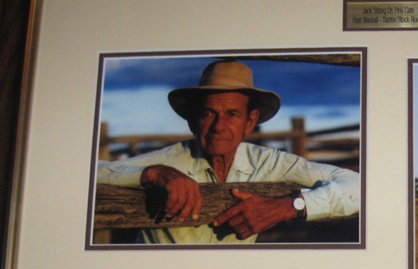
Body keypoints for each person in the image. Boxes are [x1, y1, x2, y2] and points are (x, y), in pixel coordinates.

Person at [96, 59, 360, 244]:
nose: (219, 126)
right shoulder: (168, 161)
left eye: (232, 114)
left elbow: (359, 187)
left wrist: (291, 205)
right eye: (209, 113)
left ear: (249, 121)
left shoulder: (268, 163)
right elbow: (91, 173)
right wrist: (155, 174)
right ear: (192, 120)